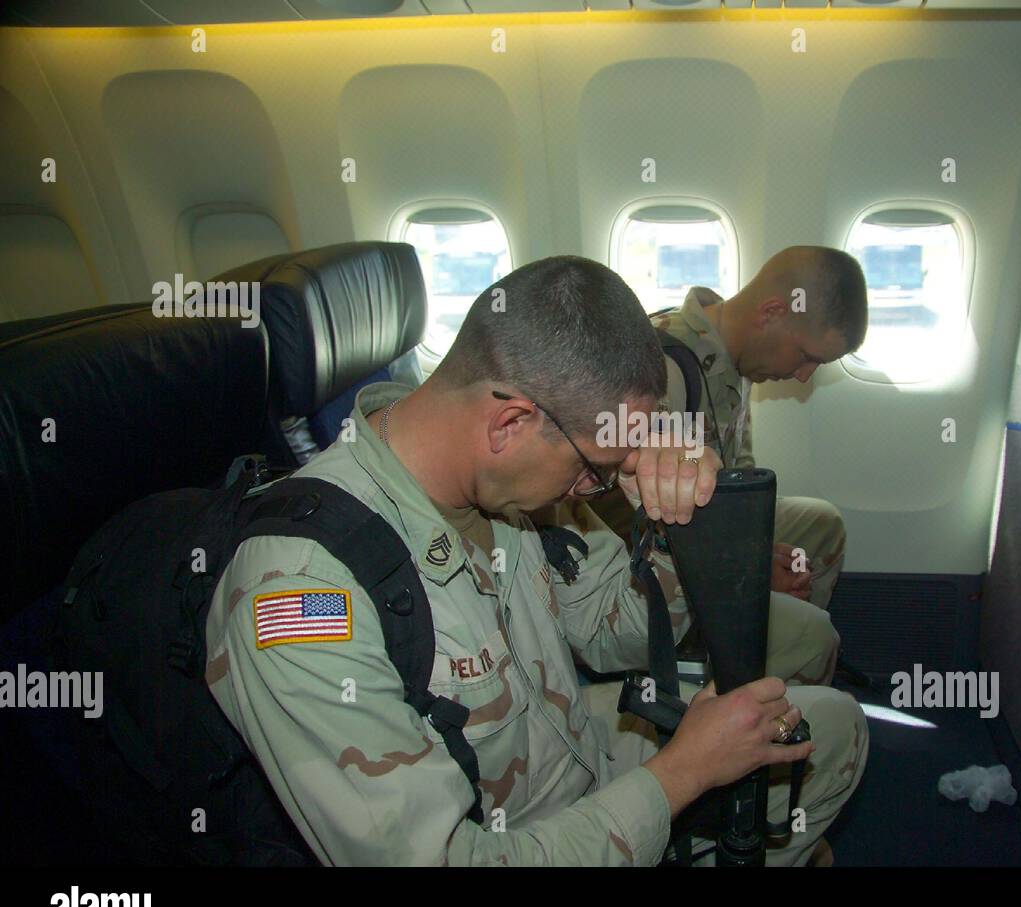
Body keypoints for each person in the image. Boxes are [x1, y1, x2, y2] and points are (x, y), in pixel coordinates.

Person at [205, 255, 868, 866]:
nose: (596, 490)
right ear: (511, 425)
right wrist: (680, 778)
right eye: (594, 472)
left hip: (568, 748)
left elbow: (614, 633)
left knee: (828, 727)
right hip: (515, 839)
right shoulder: (298, 593)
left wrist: (678, 525)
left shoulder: (512, 489)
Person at [651, 245, 867, 613]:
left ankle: (775, 627)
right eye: (806, 356)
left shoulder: (740, 362)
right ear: (771, 313)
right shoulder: (666, 366)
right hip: (659, 552)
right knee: (813, 638)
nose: (802, 377)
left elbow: (740, 483)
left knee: (821, 525)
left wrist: (759, 551)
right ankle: (768, 647)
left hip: (711, 522)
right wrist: (749, 567)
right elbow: (652, 519)